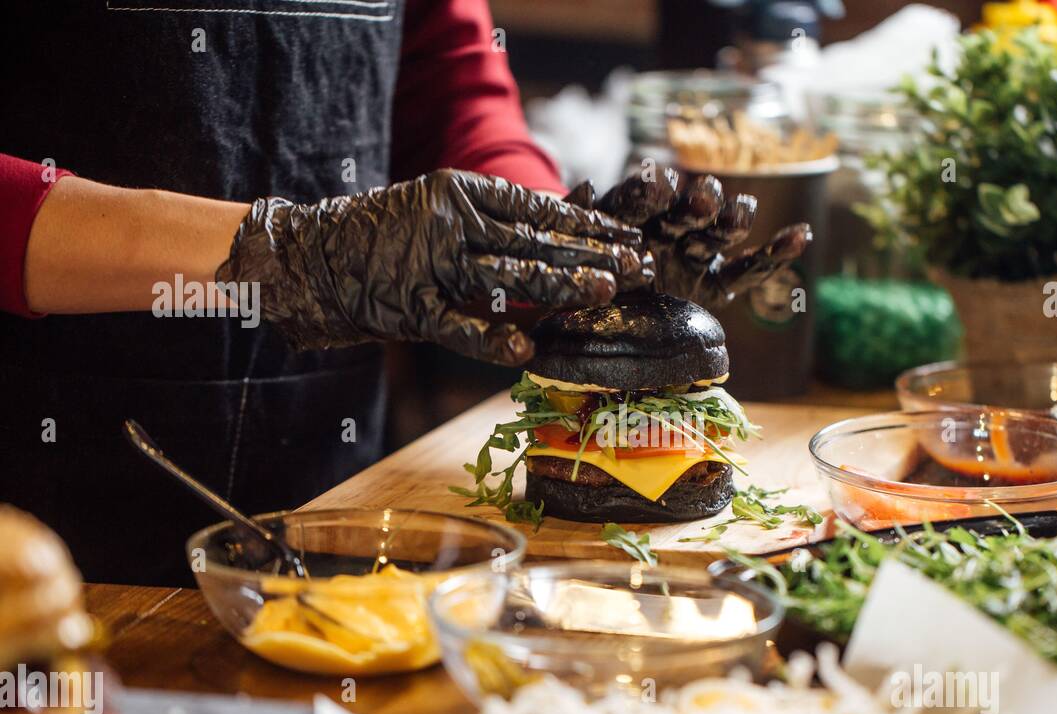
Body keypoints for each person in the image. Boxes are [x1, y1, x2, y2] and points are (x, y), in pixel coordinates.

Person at [0, 1, 808, 585]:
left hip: (338, 507)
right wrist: (287, 254)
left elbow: (452, 84)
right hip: (36, 521)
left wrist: (562, 251)